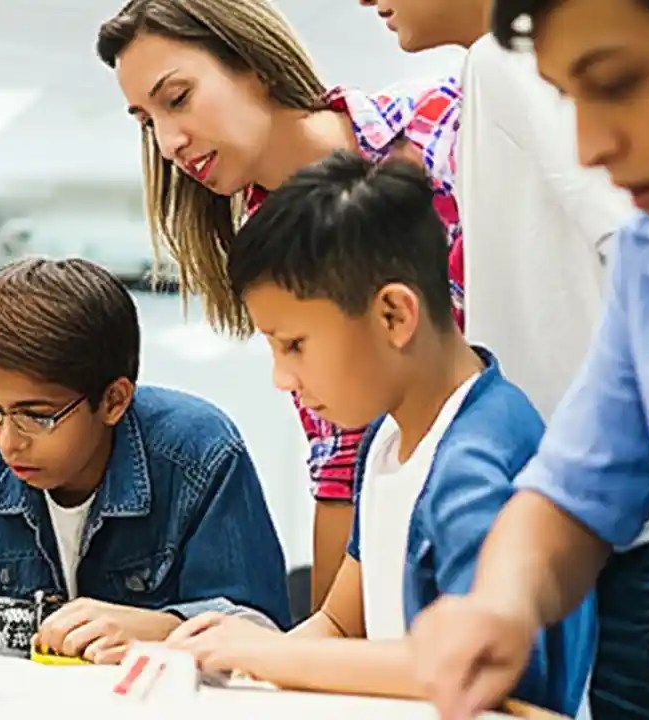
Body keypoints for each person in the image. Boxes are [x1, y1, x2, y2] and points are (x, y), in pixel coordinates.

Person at [357, 1, 649, 717]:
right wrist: (501, 603)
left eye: (618, 83)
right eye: (569, 99)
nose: (586, 149)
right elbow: (574, 490)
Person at [165, 151, 594, 715]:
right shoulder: (387, 439)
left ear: (394, 315)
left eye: (293, 344)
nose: (281, 378)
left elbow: (474, 669)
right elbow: (342, 621)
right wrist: (231, 660)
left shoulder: (476, 457)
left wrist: (267, 655)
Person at [97, 0, 461, 608]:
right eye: (146, 120)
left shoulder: (444, 124)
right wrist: (321, 649)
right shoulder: (272, 252)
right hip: (430, 545)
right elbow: (339, 461)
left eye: (178, 98)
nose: (168, 143)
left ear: (253, 64)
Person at [0, 257, 290, 662]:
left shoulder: (196, 454)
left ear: (114, 400)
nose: (8, 442)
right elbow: (7, 645)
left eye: (37, 416)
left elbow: (264, 632)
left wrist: (158, 629)